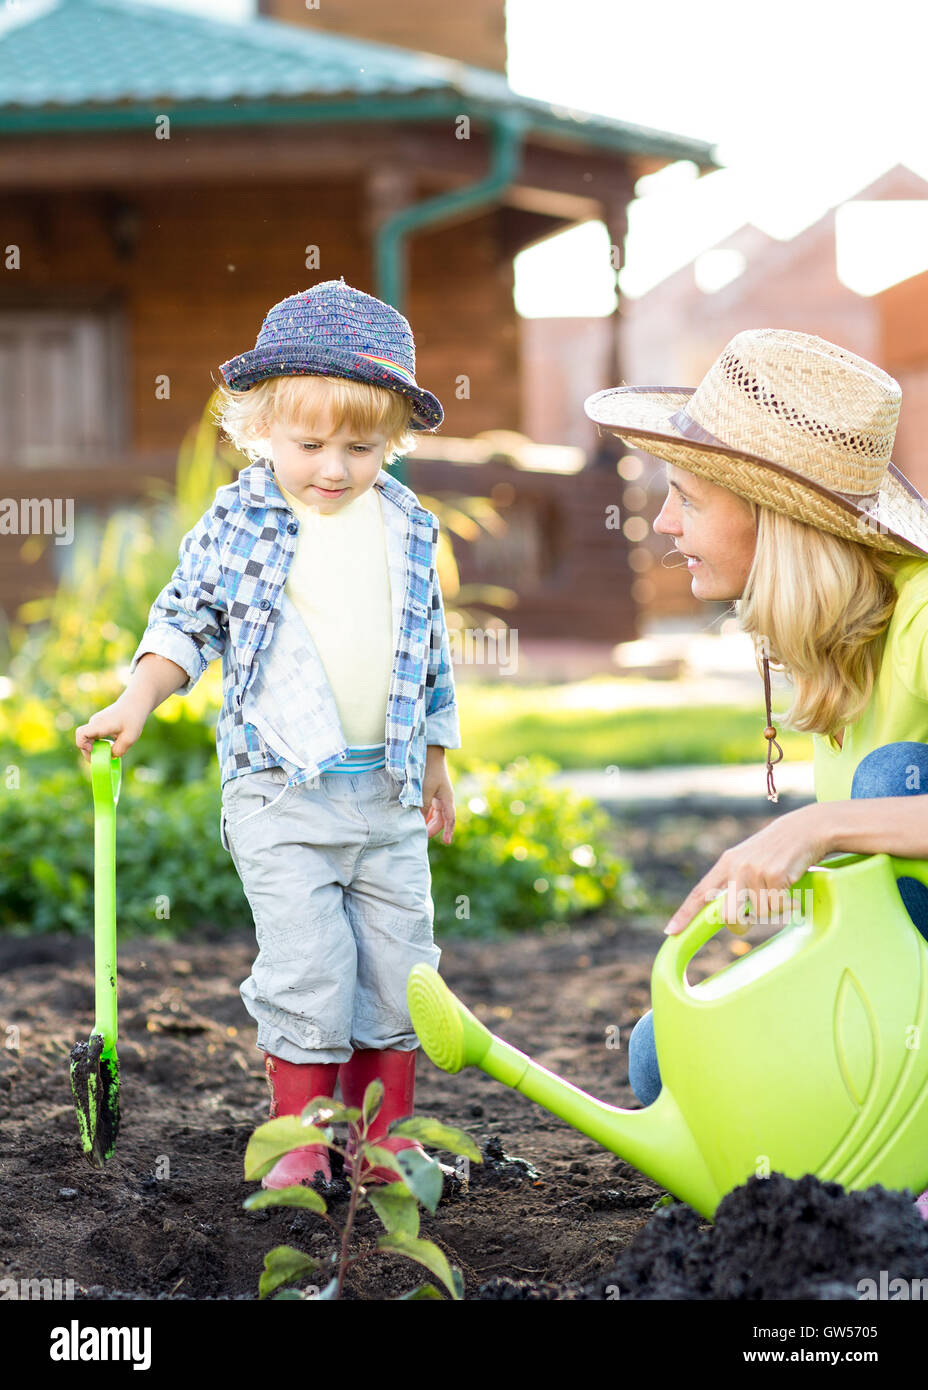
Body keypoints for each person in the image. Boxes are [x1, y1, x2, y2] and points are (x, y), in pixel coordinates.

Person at [75, 279, 460, 1190]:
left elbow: (430, 653)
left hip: (389, 791)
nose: (333, 467)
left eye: (361, 447)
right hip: (280, 791)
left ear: (394, 439)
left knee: (399, 967)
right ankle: (299, 1138)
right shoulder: (243, 519)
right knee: (310, 965)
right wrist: (136, 701)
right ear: (259, 428)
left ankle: (380, 1141)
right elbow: (186, 619)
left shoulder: (407, 524)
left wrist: (436, 761)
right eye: (309, 444)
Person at [584, 329, 928, 1217]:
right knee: (666, 1057)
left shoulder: (924, 614)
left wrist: (812, 828)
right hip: (898, 993)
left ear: (775, 520)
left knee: (897, 782)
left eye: (686, 498)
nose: (663, 524)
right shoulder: (836, 645)